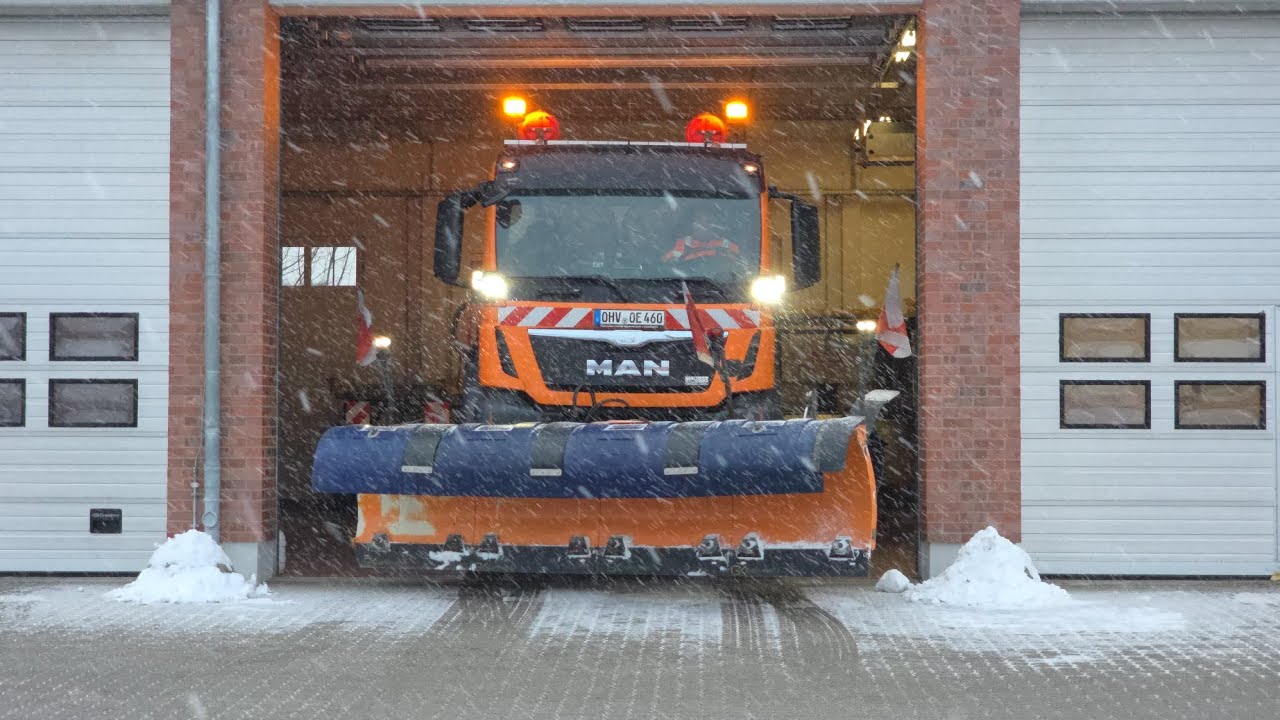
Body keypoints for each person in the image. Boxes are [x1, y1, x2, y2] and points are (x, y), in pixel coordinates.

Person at [661, 206, 741, 267]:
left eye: (708, 221)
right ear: (691, 224)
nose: (703, 225)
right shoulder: (679, 245)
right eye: (699, 221)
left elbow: (740, 268)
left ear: (715, 224)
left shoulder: (729, 246)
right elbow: (665, 268)